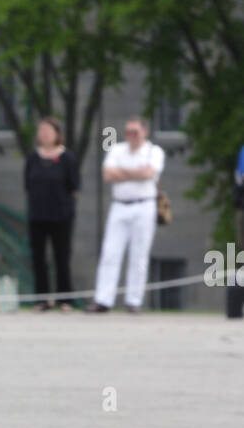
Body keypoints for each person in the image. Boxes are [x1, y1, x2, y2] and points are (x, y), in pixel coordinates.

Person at [92, 117, 165, 313]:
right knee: (110, 253)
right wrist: (135, 172)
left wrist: (121, 173)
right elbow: (107, 175)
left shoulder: (153, 151)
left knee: (138, 254)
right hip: (119, 206)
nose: (132, 136)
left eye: (136, 131)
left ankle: (134, 300)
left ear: (145, 132)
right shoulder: (117, 149)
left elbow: (148, 173)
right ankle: (103, 299)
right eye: (128, 132)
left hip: (144, 205)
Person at [24, 117, 80, 310]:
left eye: (48, 130)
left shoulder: (67, 158)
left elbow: (75, 187)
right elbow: (27, 185)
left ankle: (65, 299)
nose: (44, 134)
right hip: (37, 215)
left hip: (61, 216)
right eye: (41, 131)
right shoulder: (33, 158)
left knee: (61, 257)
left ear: (57, 134)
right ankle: (42, 299)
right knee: (39, 258)